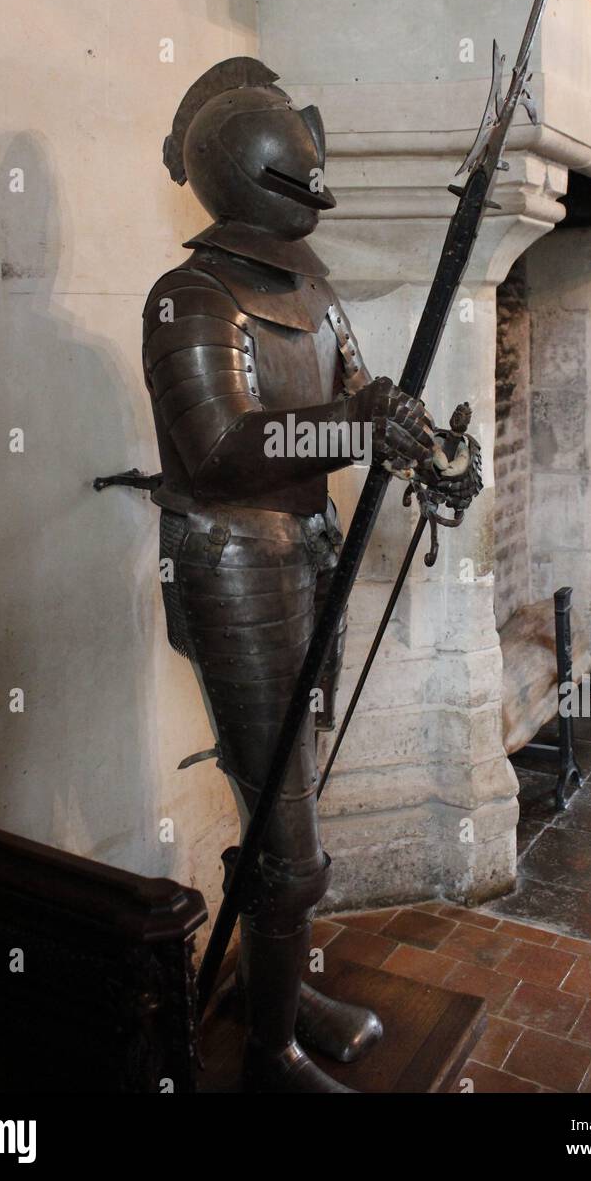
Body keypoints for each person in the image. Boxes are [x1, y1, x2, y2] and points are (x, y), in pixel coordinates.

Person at [143, 58, 442, 1092]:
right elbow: (221, 448)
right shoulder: (186, 296)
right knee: (290, 832)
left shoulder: (307, 286)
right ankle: (267, 1054)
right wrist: (350, 424)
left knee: (287, 794)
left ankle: (273, 979)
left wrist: (404, 429)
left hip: (304, 550)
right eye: (298, 173)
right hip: (230, 562)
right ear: (256, 173)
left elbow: (353, 391)